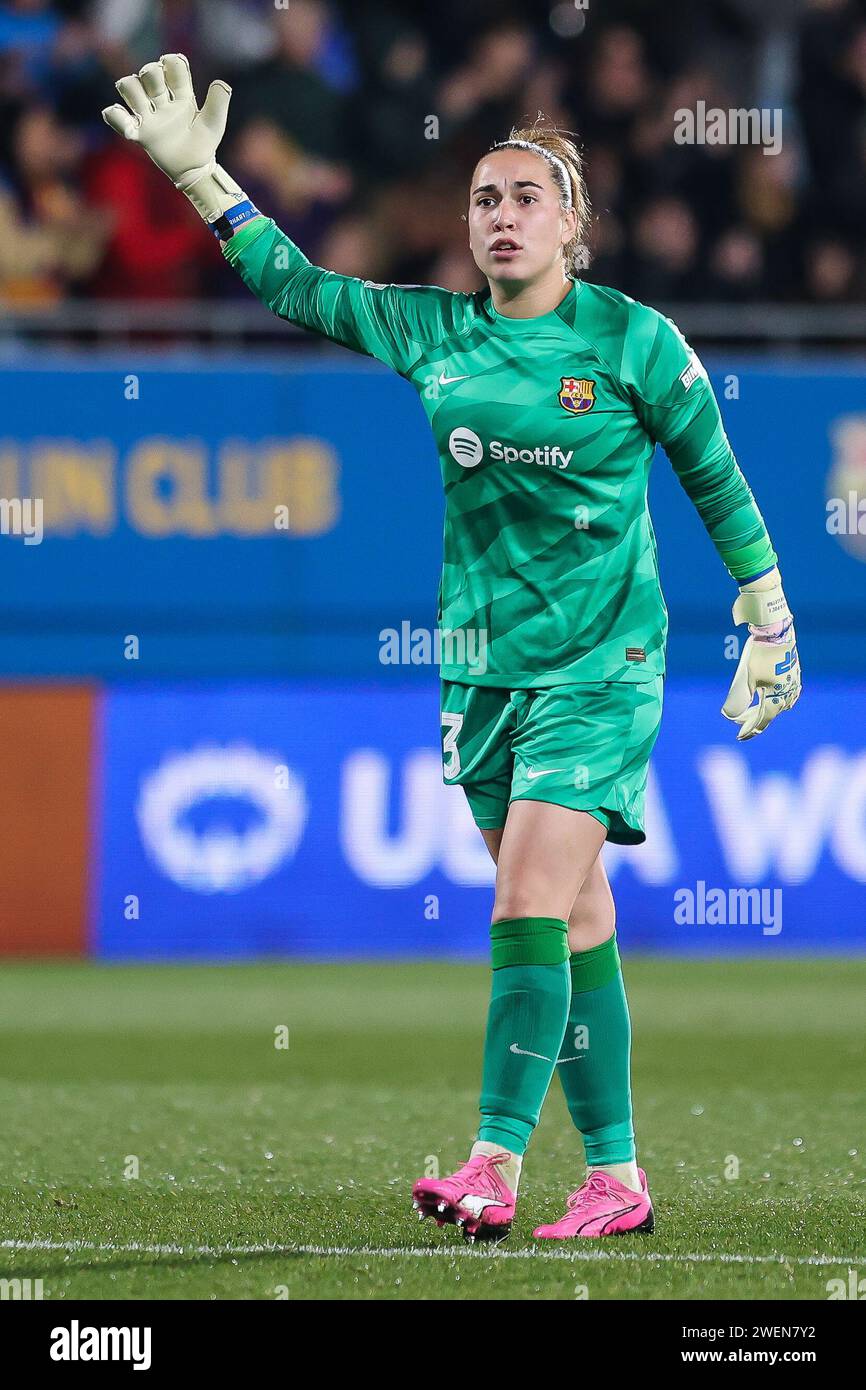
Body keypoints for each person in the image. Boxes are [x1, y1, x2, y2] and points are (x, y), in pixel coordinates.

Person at [101, 53, 802, 1243]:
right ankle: (617, 1177)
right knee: (573, 919)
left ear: (571, 224)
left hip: (602, 666)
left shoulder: (633, 341)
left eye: (526, 196)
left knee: (523, 898)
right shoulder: (432, 333)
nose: (501, 215)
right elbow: (299, 287)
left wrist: (766, 612)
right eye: (483, 199)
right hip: (480, 671)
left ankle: (492, 1160)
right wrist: (204, 179)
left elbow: (713, 478)